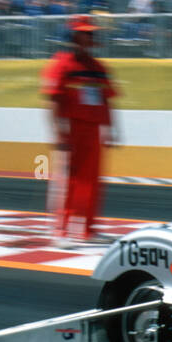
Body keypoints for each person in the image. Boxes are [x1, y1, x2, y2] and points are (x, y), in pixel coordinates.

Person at [42, 15, 118, 245]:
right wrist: (58, 132)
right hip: (72, 130)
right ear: (74, 36)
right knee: (68, 181)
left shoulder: (99, 68)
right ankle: (60, 231)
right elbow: (52, 101)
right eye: (86, 33)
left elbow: (107, 101)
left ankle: (88, 229)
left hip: (94, 132)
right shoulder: (61, 64)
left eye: (92, 33)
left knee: (92, 182)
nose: (91, 37)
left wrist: (111, 130)